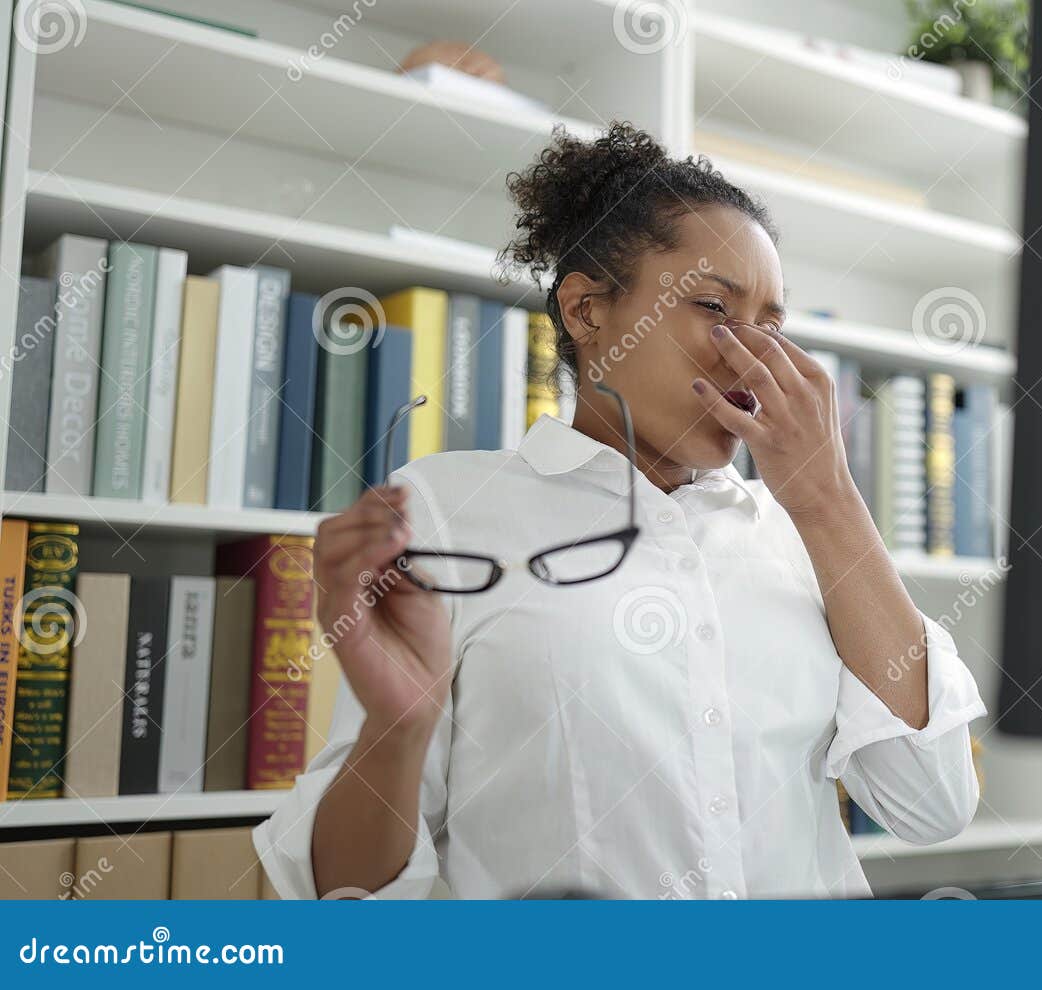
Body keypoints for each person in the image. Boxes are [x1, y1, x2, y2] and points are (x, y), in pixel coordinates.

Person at [253, 122, 987, 899]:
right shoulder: (445, 511)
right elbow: (345, 900)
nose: (755, 355)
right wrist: (396, 733)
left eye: (772, 324)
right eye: (714, 306)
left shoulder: (806, 531)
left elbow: (932, 805)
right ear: (587, 311)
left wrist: (829, 498)